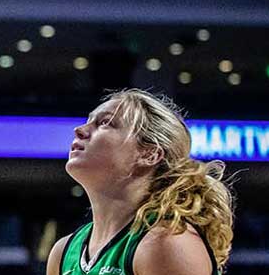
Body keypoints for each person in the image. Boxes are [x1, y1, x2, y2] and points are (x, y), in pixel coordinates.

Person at [47, 89, 234, 275]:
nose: (79, 130)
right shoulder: (63, 252)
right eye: (88, 121)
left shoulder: (165, 243)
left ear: (150, 154)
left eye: (105, 123)